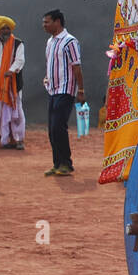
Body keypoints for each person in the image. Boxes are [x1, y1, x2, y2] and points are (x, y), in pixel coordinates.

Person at [43, 9, 84, 176]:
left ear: (57, 22)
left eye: (47, 22)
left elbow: (76, 67)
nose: (44, 25)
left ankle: (66, 163)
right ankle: (57, 163)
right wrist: (47, 78)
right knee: (52, 129)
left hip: (66, 90)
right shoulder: (50, 42)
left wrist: (80, 90)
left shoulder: (70, 41)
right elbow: (51, 64)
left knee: (58, 127)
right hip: (53, 90)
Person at [0, 16, 26, 149]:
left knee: (16, 111)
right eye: (3, 28)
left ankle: (19, 139)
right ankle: (5, 139)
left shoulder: (18, 43)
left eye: (8, 28)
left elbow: (20, 60)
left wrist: (11, 71)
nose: (6, 31)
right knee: (0, 112)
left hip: (13, 84)